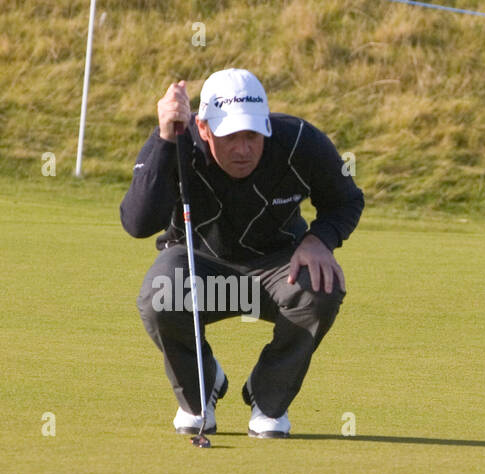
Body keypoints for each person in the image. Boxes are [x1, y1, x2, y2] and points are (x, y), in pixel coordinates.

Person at [120, 68, 364, 437]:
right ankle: (201, 390)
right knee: (160, 295)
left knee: (321, 286)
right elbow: (137, 223)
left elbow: (346, 200)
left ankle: (269, 399)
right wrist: (165, 139)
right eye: (230, 136)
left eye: (252, 135)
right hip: (198, 269)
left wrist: (319, 240)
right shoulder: (178, 141)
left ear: (266, 124)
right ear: (203, 128)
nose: (243, 149)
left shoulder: (299, 141)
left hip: (277, 268)